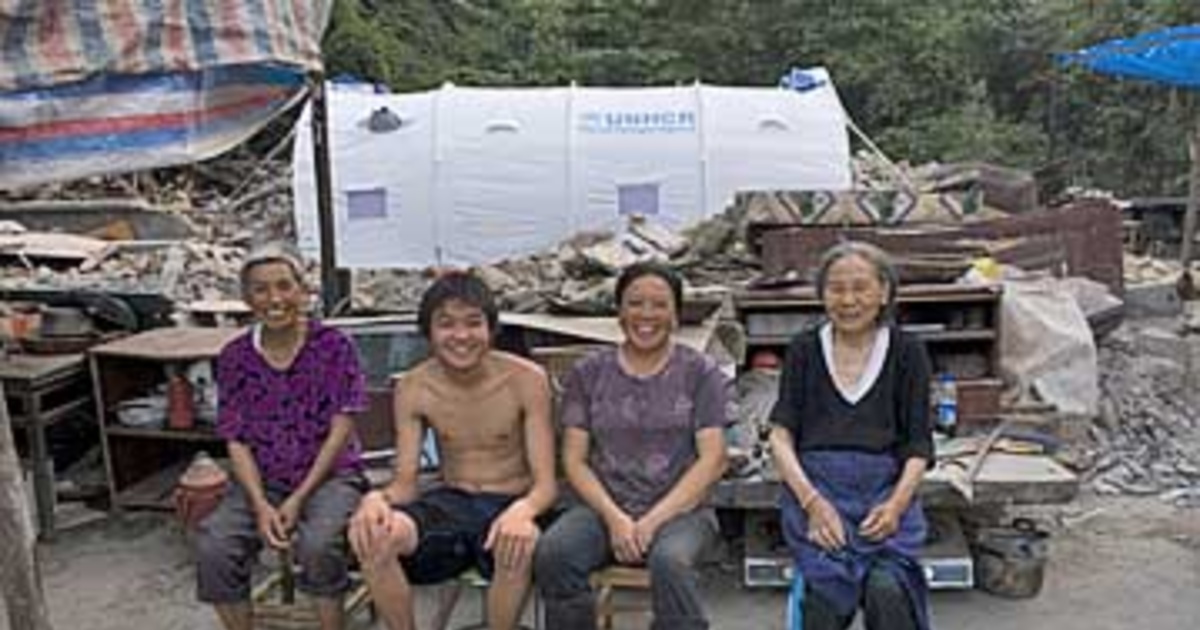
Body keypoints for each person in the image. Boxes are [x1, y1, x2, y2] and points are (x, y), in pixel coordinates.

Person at [348, 272, 556, 630]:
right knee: (373, 536)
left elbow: (546, 486)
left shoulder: (527, 380)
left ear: (491, 329)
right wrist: (376, 501)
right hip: (451, 502)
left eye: (473, 323)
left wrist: (524, 512)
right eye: (446, 325)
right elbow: (406, 484)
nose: (461, 336)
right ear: (428, 332)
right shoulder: (414, 386)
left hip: (511, 501)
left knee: (519, 543)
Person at [535, 262, 730, 630]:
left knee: (671, 562)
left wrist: (653, 520)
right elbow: (574, 460)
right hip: (602, 507)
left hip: (682, 511)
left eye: (659, 304)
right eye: (635, 303)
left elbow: (712, 459)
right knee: (555, 553)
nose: (646, 315)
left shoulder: (700, 372)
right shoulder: (589, 372)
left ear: (676, 313)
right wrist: (615, 518)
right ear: (619, 310)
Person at [194, 243, 369, 630]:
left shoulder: (334, 347)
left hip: (330, 477)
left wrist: (299, 497)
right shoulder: (235, 357)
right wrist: (259, 504)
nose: (275, 299)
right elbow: (235, 437)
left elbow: (343, 426)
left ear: (302, 291)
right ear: (245, 298)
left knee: (318, 544)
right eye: (260, 289)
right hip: (263, 480)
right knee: (214, 544)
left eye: (284, 286)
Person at [768, 241, 934, 630]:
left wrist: (895, 506)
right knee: (825, 594)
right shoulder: (805, 349)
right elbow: (780, 435)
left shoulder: (907, 351)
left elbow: (918, 443)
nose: (848, 300)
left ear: (884, 293)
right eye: (836, 288)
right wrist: (811, 502)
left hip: (884, 493)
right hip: (818, 492)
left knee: (888, 589)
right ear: (822, 295)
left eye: (860, 288)